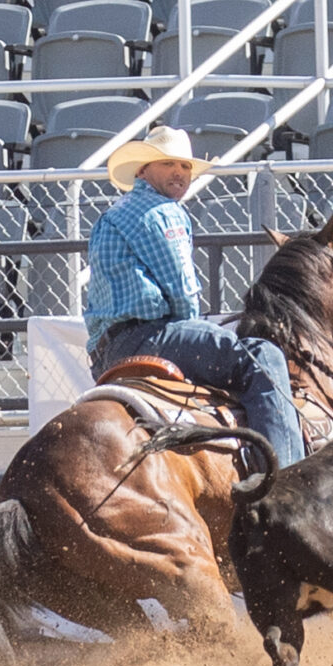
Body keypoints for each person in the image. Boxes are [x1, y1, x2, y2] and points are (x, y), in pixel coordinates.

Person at [84, 125, 306, 469]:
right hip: (151, 336)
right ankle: (286, 476)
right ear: (144, 170)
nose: (179, 173)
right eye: (168, 164)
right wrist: (198, 329)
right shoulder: (162, 212)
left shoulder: (114, 213)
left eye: (185, 166)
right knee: (263, 356)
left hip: (107, 352)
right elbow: (183, 291)